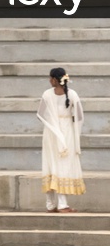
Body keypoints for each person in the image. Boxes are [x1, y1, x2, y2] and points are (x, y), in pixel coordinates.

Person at [39, 67, 85, 213]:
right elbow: (79, 117)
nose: (49, 80)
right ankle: (60, 204)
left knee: (53, 164)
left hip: (52, 131)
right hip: (64, 132)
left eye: (50, 78)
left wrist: (52, 123)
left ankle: (51, 204)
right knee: (60, 165)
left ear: (54, 79)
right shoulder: (72, 94)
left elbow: (40, 114)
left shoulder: (48, 94)